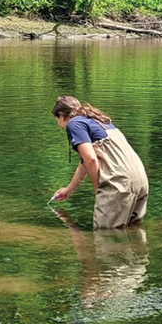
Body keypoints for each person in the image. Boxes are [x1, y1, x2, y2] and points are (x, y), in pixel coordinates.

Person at [51, 95, 149, 229]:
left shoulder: (74, 124)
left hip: (119, 183)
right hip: (140, 179)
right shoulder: (98, 120)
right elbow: (87, 161)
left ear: (62, 116)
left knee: (106, 235)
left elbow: (91, 159)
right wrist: (69, 189)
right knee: (133, 232)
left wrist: (98, 188)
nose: (59, 125)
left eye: (57, 120)